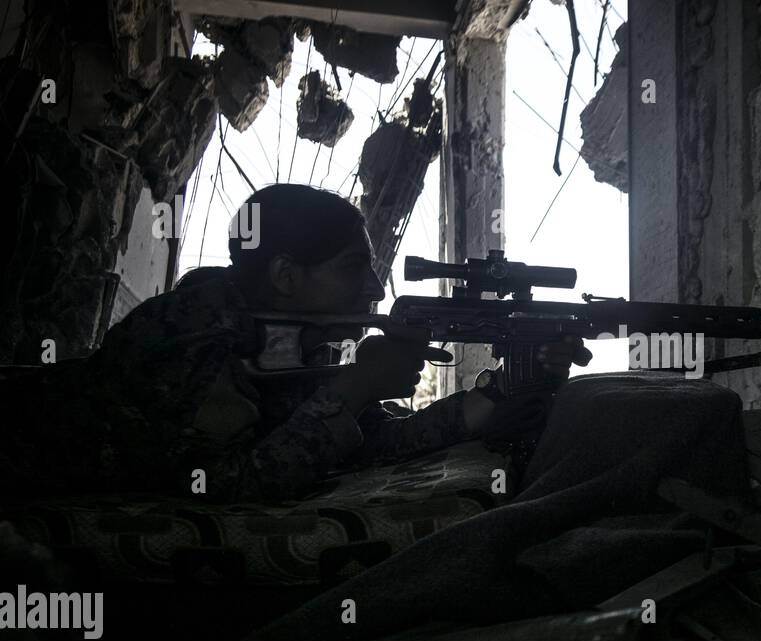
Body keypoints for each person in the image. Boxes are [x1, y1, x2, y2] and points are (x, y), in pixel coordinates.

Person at [2, 184, 589, 502]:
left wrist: (500, 391)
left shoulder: (293, 342)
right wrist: (354, 387)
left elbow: (365, 443)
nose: (376, 287)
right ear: (286, 277)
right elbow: (223, 486)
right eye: (353, 268)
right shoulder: (194, 333)